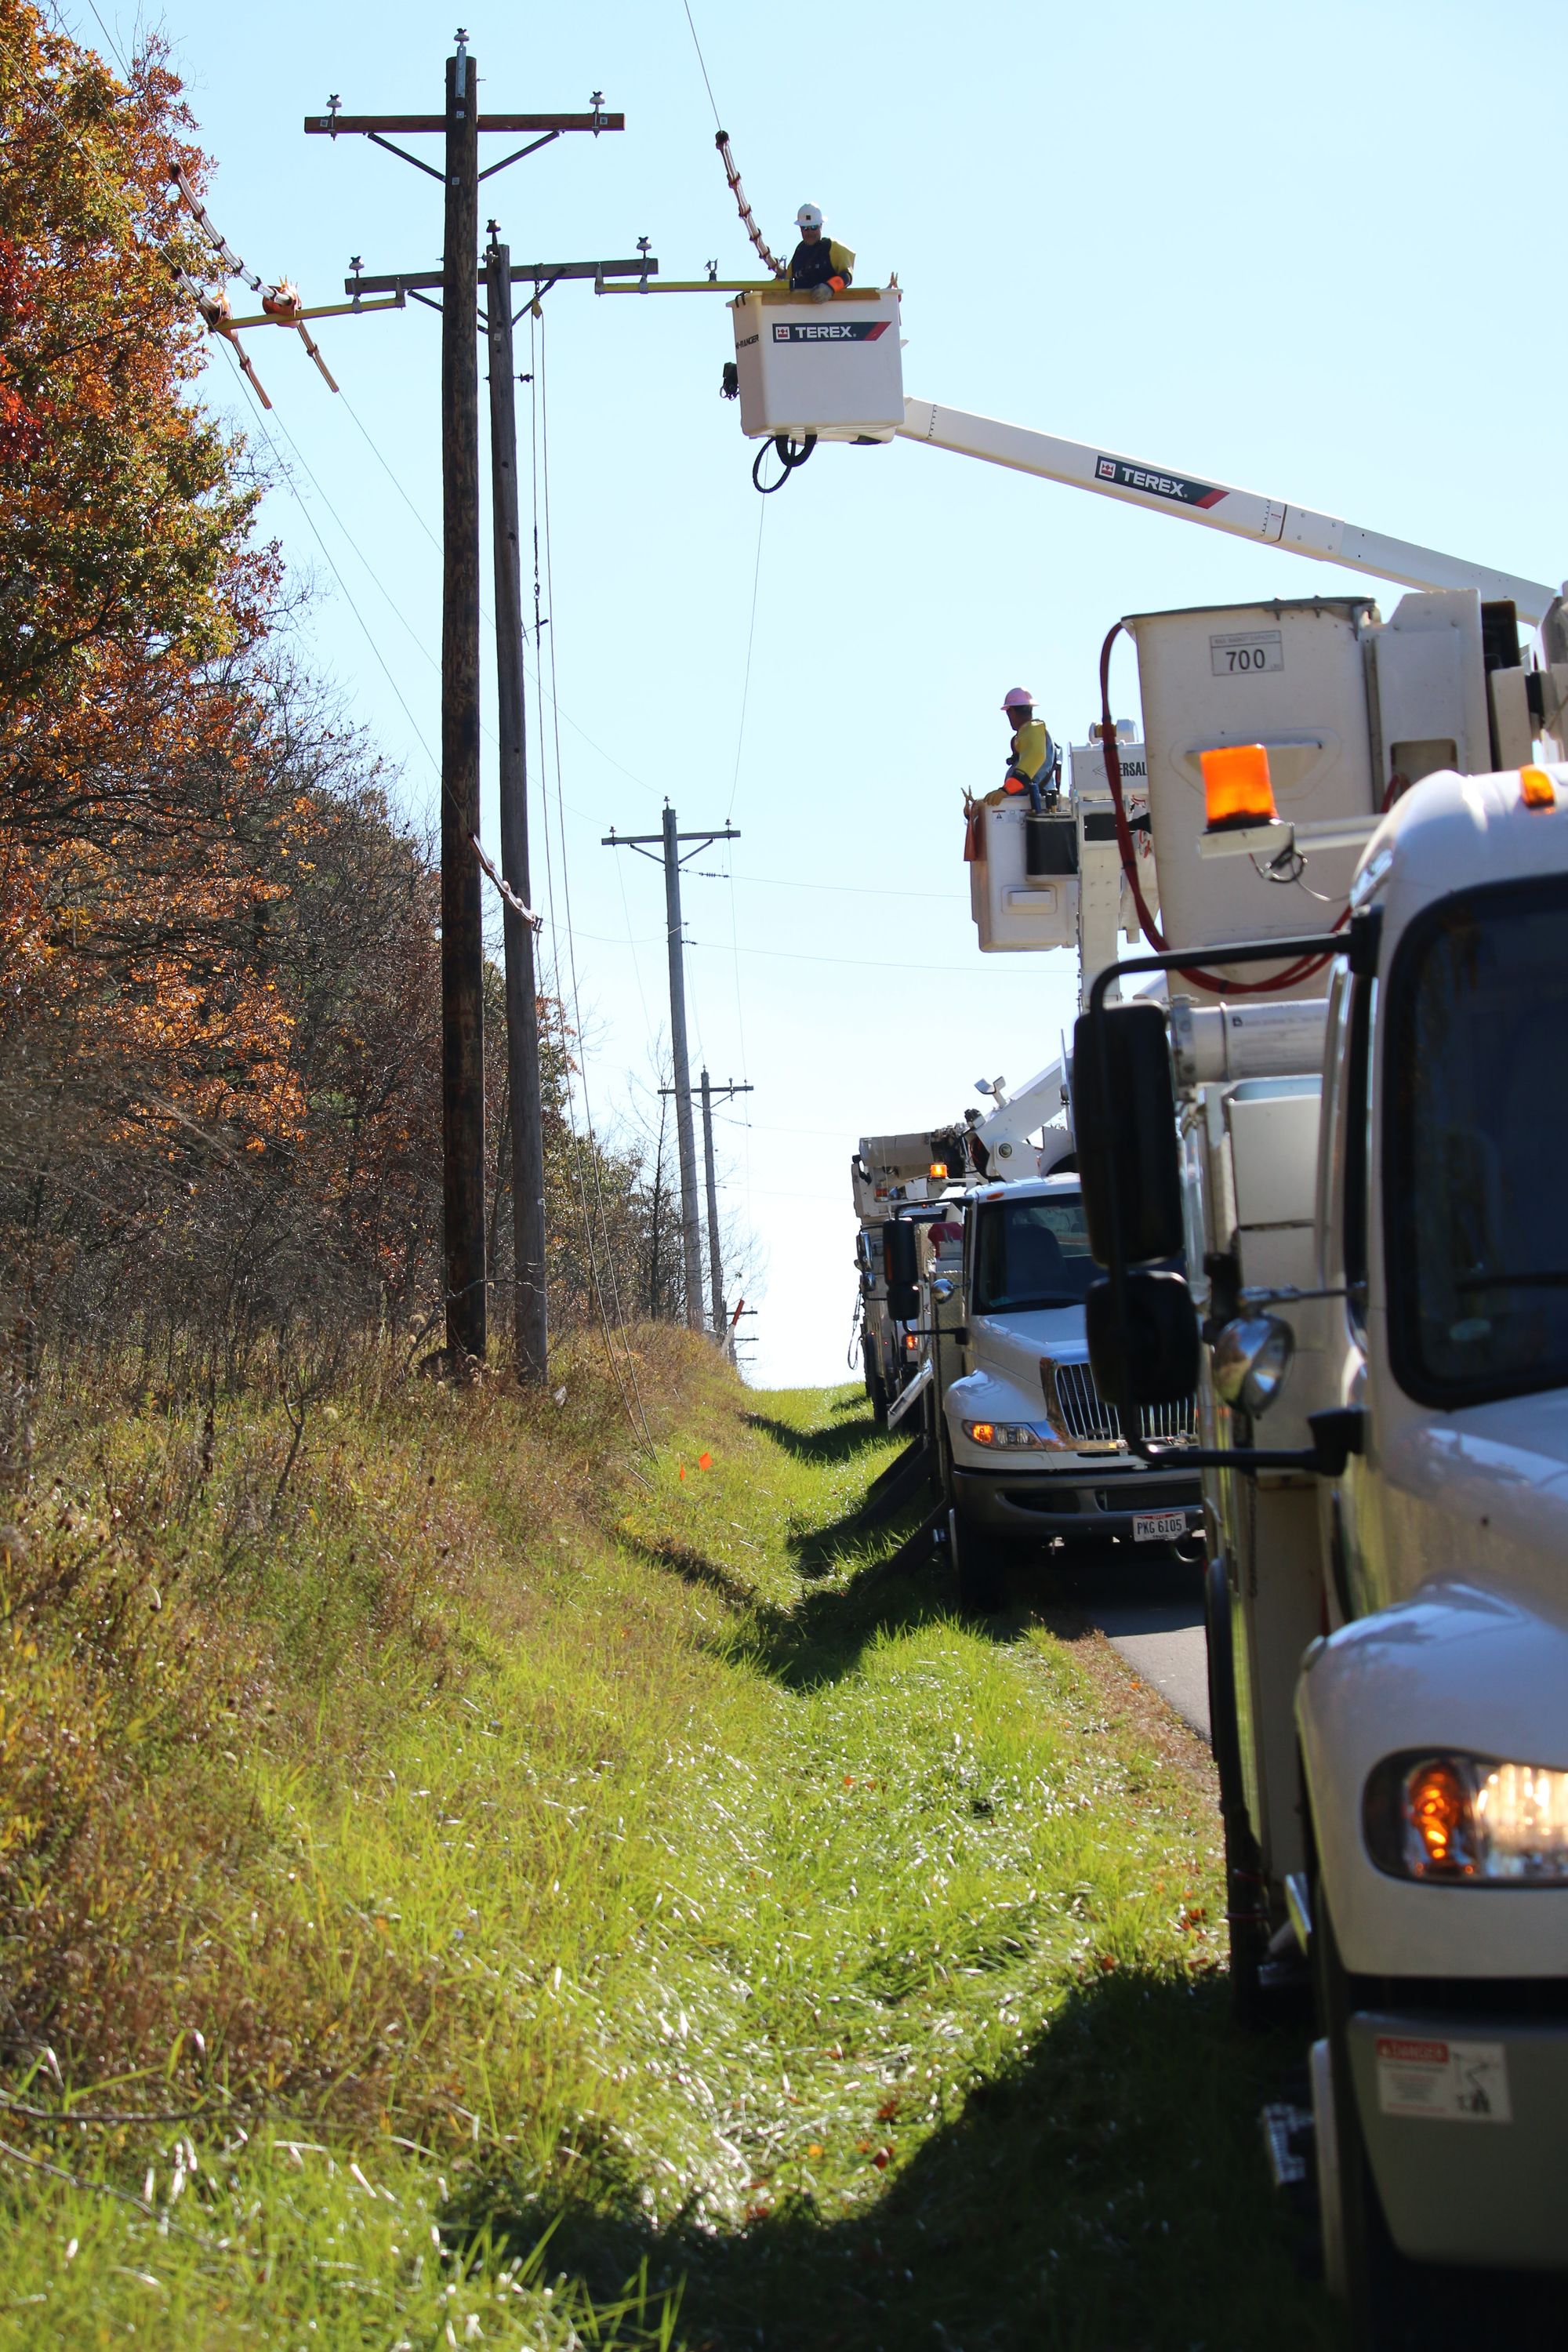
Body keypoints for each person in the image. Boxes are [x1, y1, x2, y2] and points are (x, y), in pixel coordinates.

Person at [999, 686, 1059, 809]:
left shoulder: (1033, 729)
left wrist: (1005, 791)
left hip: (1035, 806)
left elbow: (1033, 758)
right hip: (1033, 804)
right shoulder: (1034, 732)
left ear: (1010, 712)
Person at [788, 204, 855, 301]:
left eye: (814, 227)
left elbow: (847, 276)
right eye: (805, 228)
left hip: (830, 310)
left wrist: (830, 287)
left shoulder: (832, 247)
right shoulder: (799, 252)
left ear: (821, 226)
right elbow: (786, 281)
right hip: (801, 311)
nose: (810, 232)